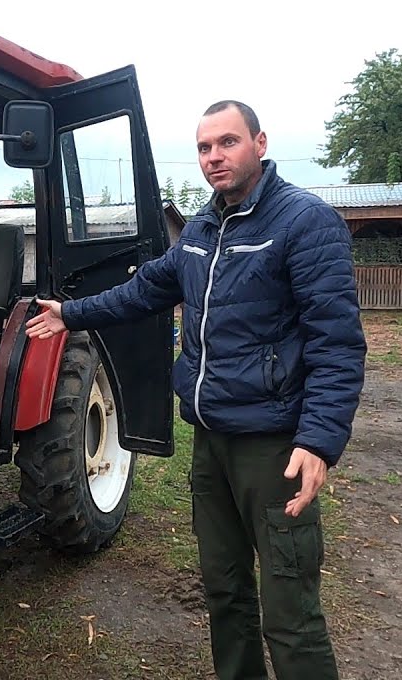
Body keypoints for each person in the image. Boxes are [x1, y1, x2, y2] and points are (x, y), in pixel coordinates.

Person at [26, 100, 366, 680]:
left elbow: (336, 343)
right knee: (224, 590)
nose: (214, 157)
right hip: (211, 441)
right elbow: (143, 291)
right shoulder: (202, 230)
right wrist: (70, 313)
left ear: (260, 143)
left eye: (228, 142)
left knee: (290, 610)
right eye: (205, 147)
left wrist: (319, 440)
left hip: (274, 445)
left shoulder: (304, 222)